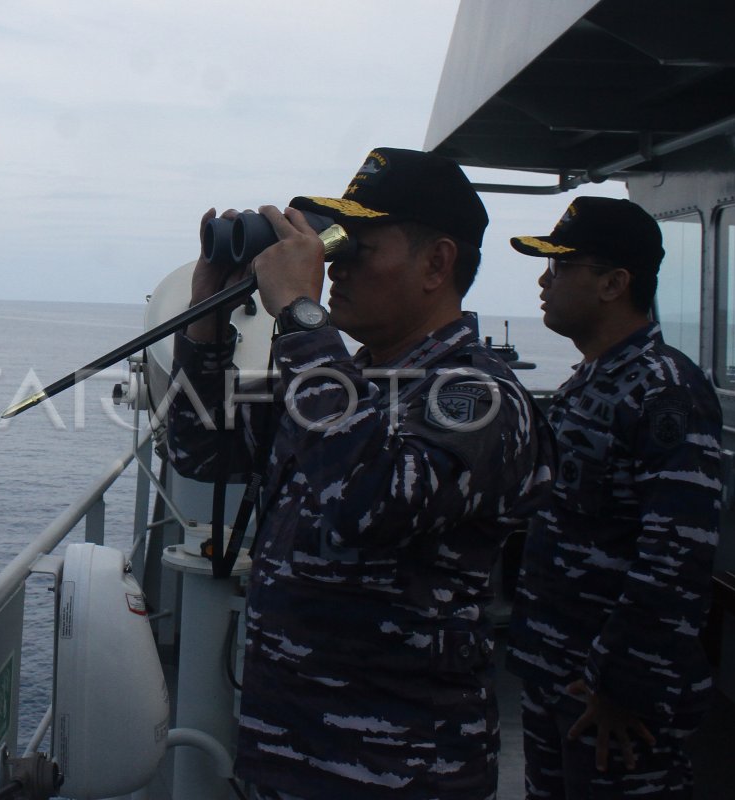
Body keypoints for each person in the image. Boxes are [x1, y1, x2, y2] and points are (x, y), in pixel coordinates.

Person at [164, 147, 552, 799]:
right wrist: (208, 315)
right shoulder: (343, 385)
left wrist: (300, 315)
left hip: (399, 774)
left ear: (437, 263)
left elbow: (367, 500)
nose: (333, 265)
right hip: (284, 759)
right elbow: (201, 448)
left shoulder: (478, 397)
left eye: (356, 247)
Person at [505, 196, 722, 798]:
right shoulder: (594, 380)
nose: (543, 282)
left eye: (560, 267)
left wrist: (623, 684)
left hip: (613, 695)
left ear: (613, 283)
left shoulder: (665, 391)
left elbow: (675, 557)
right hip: (561, 673)